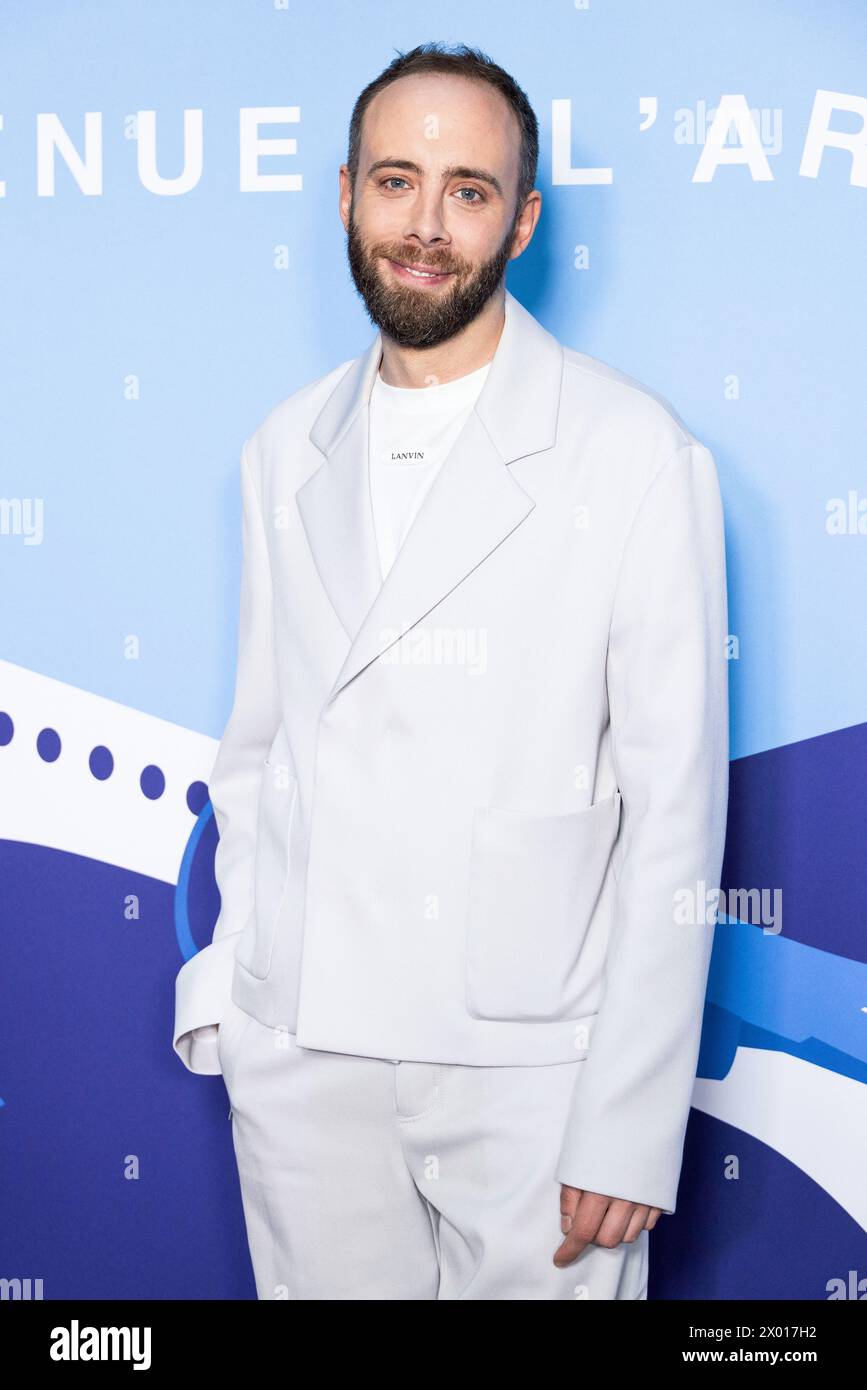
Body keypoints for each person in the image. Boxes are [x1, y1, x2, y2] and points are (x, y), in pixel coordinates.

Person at [173, 41, 729, 1301]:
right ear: (344, 194)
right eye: (395, 181)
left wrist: (631, 1116)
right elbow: (260, 750)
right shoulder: (282, 444)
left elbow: (675, 812)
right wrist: (236, 991)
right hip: (306, 1054)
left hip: (531, 1066)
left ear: (523, 218)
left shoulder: (635, 451)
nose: (426, 226)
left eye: (468, 190)